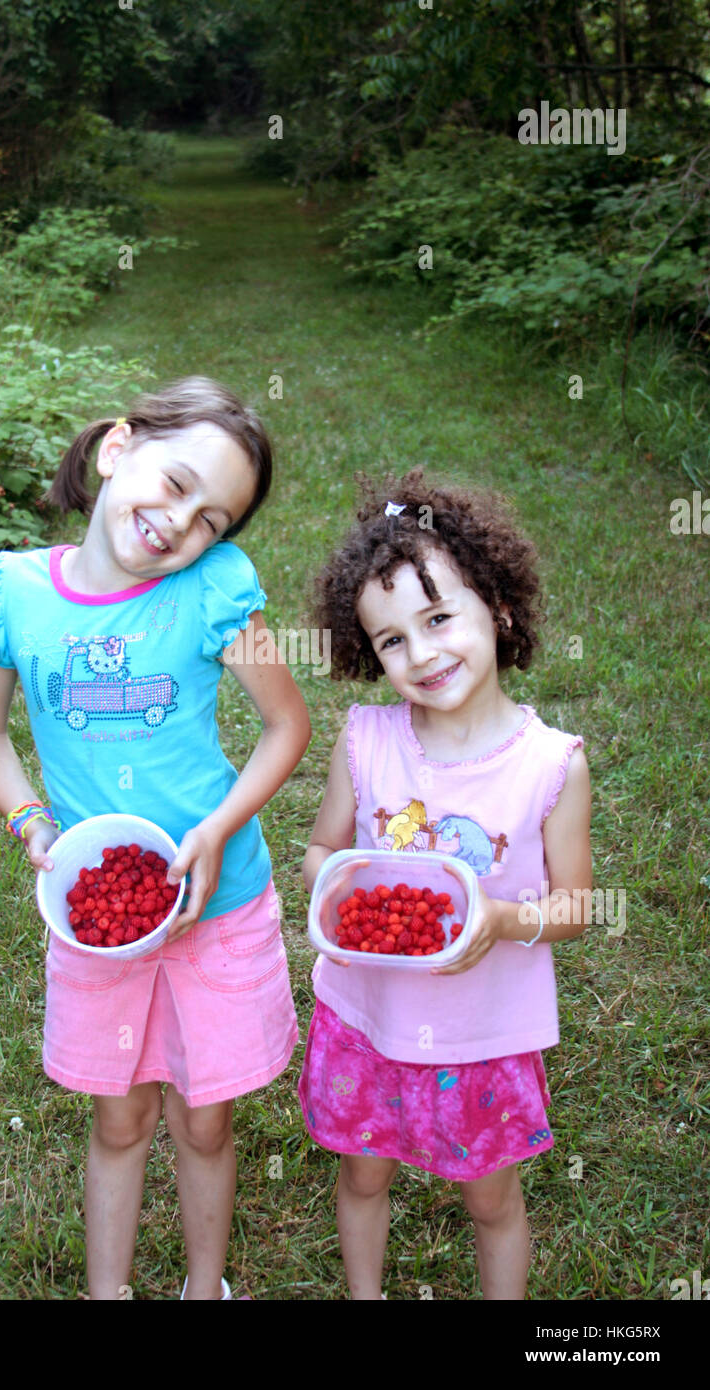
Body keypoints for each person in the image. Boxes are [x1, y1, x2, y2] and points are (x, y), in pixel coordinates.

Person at [0, 376, 311, 1301]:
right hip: (97, 918)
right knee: (119, 1122)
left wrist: (214, 832)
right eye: (177, 481)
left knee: (203, 1123)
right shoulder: (13, 593)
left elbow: (287, 728)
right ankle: (105, 1293)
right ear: (118, 449)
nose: (180, 522)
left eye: (212, 517)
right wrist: (29, 819)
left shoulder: (210, 592)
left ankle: (206, 1289)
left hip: (218, 900)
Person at [298, 468, 592, 1300]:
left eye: (438, 618)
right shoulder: (366, 741)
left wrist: (500, 918)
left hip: (484, 1032)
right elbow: (322, 853)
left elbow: (574, 906)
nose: (422, 653)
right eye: (392, 640)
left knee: (490, 1199)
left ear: (496, 607)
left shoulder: (551, 767)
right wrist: (341, 895)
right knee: (362, 1179)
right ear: (369, 653)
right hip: (368, 1014)